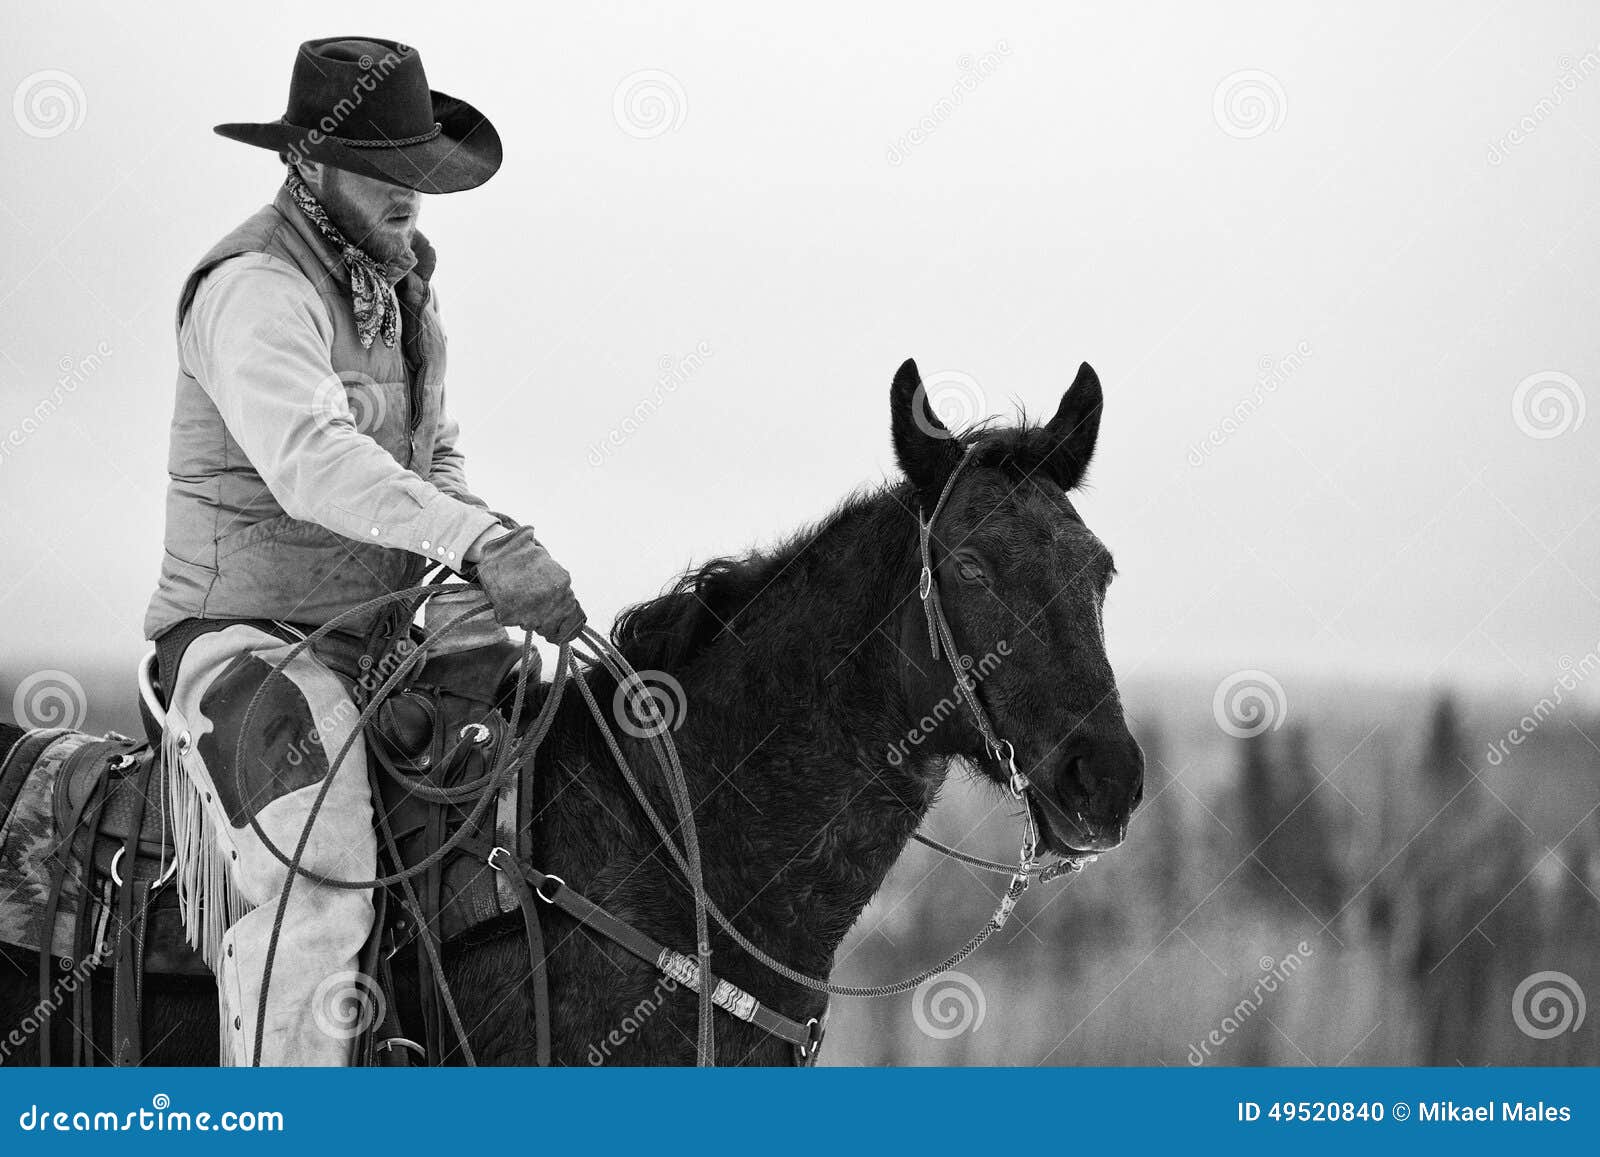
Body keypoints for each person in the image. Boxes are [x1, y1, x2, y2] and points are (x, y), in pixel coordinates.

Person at [143, 36, 582, 1064]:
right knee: (322, 871)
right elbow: (311, 460)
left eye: (416, 173)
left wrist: (490, 553)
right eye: (383, 171)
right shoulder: (252, 286)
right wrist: (481, 540)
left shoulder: (405, 295)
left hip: (376, 642)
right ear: (308, 164)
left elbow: (436, 462)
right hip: (241, 641)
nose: (408, 196)